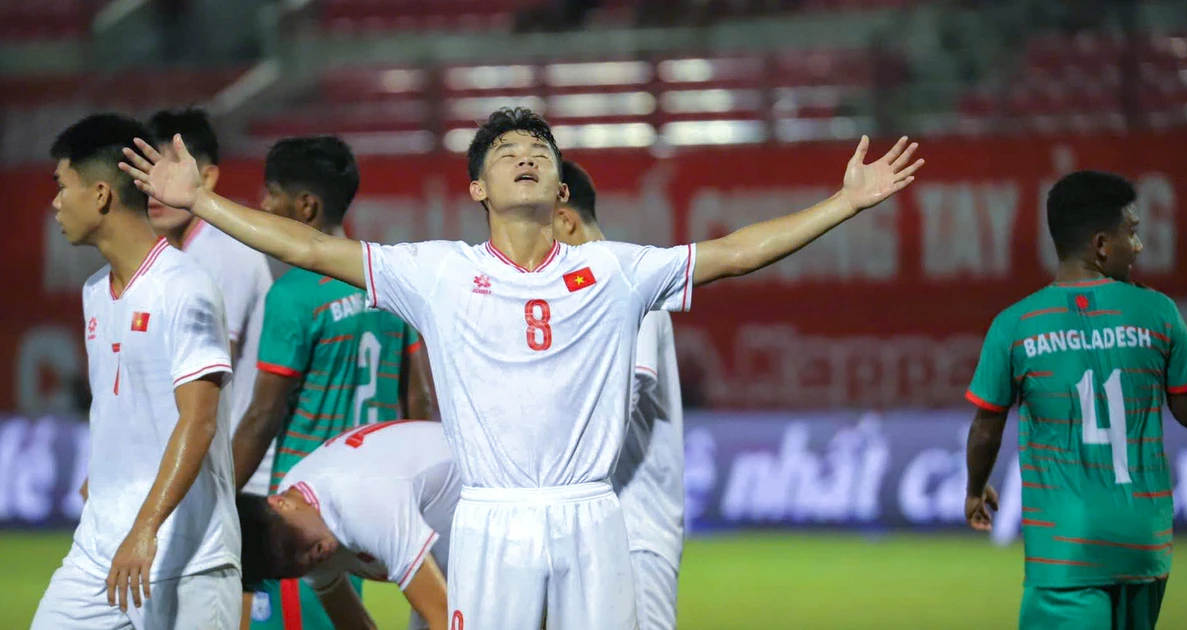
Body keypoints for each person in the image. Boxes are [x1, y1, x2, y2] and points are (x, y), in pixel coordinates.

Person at [121, 107, 922, 629]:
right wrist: (203, 203)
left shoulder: (613, 269)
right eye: (506, 152)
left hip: (591, 515)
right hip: (491, 522)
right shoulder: (438, 271)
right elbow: (307, 246)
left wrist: (843, 203)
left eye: (539, 149)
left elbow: (736, 252)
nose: (526, 157)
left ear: (560, 181)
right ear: (477, 185)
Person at [963, 170, 1187, 630]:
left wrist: (975, 488)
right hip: (1146, 545)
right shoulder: (1158, 311)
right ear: (1101, 245)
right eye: (1132, 233)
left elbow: (986, 429)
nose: (1139, 246)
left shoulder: (1016, 324)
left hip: (1066, 552)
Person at [33, 113, 240, 628]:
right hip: (99, 550)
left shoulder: (185, 287)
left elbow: (199, 421)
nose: (56, 203)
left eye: (63, 186)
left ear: (101, 194)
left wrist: (145, 528)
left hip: (187, 557)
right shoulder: (94, 292)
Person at [229, 135, 433, 630]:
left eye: (272, 193)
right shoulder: (386, 280)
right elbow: (419, 399)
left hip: (303, 507)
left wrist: (215, 502)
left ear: (305, 206)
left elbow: (262, 416)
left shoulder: (293, 295)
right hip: (376, 497)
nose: (263, 206)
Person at [550, 160, 685, 630]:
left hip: (636, 527)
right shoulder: (575, 297)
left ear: (565, 220)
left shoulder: (630, 280)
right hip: (587, 525)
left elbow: (623, 397)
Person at [146, 107, 275, 497]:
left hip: (239, 471)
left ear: (207, 178)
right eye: (146, 172)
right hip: (207, 461)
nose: (154, 188)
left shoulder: (225, 250)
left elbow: (210, 371)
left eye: (168, 173)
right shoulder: (176, 255)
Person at [238, 419, 459, 630]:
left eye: (290, 546)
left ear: (280, 503)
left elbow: (446, 618)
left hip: (474, 496)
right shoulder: (295, 525)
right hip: (452, 539)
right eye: (288, 569)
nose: (305, 560)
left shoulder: (360, 501)